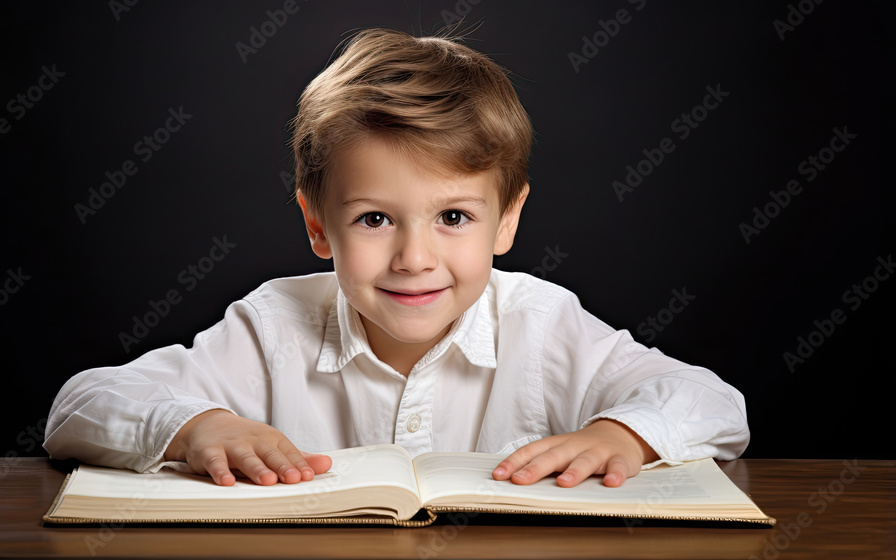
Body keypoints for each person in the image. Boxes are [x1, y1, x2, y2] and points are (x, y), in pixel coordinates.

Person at [44, 28, 749, 490]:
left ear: (507, 221)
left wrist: (619, 432)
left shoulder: (546, 323)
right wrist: (201, 427)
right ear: (319, 228)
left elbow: (717, 405)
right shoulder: (270, 327)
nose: (415, 258)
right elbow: (80, 405)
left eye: (453, 218)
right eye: (375, 219)